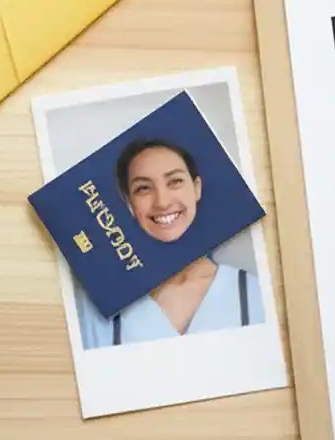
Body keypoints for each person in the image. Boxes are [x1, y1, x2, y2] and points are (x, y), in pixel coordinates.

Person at [80, 139, 263, 349]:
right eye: (143, 188)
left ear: (197, 188)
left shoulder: (253, 292)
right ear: (130, 204)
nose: (162, 202)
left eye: (175, 181)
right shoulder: (98, 308)